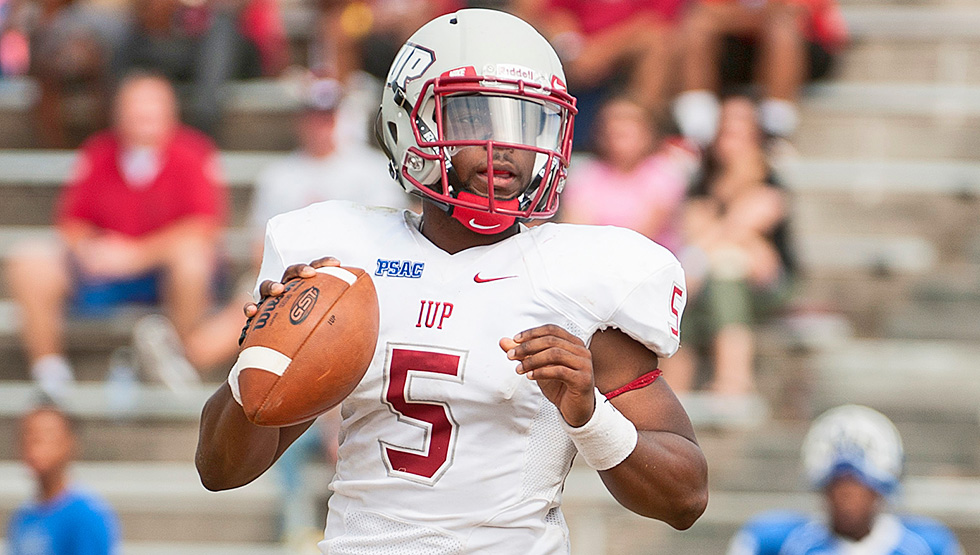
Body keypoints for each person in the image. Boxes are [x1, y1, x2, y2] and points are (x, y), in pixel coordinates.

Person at [196, 8, 708, 554]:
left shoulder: (575, 281)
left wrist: (590, 414)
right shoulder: (344, 268)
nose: (506, 143)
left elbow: (686, 498)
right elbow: (220, 469)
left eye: (525, 120)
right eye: (476, 117)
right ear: (410, 122)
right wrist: (264, 360)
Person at [4, 71, 227, 398]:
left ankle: (172, 360)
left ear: (170, 112)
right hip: (103, 275)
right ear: (118, 112)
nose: (144, 115)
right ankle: (51, 375)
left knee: (192, 260)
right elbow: (72, 223)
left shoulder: (192, 153)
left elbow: (203, 227)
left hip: (164, 274)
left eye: (152, 106)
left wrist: (136, 256)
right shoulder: (98, 152)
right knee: (28, 261)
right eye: (136, 106)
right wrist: (89, 249)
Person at [662, 96, 794, 402]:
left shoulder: (772, 183)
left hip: (767, 284)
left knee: (724, 266)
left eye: (742, 133)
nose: (733, 143)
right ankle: (674, 391)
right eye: (727, 132)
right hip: (713, 281)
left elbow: (736, 230)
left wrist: (707, 251)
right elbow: (697, 231)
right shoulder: (700, 183)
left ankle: (734, 381)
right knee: (709, 277)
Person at [728, 405, 964, 555]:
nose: (847, 497)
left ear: (880, 490)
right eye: (838, 486)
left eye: (859, 487)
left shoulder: (929, 546)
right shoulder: (773, 541)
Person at [672, 0, 847, 148]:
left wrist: (737, 17)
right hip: (741, 45)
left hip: (804, 47)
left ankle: (776, 130)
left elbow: (794, 12)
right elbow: (708, 10)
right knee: (698, 27)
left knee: (781, 28)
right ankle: (697, 134)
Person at [560, 95, 695, 255]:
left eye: (629, 121)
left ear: (648, 132)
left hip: (649, 264)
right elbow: (576, 231)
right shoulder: (585, 173)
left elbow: (640, 236)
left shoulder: (665, 172)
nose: (619, 128)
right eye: (614, 121)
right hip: (593, 261)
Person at [6, 405, 120, 555]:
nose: (33, 444)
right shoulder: (23, 517)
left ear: (69, 444)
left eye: (46, 435)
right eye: (28, 435)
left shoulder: (86, 515)